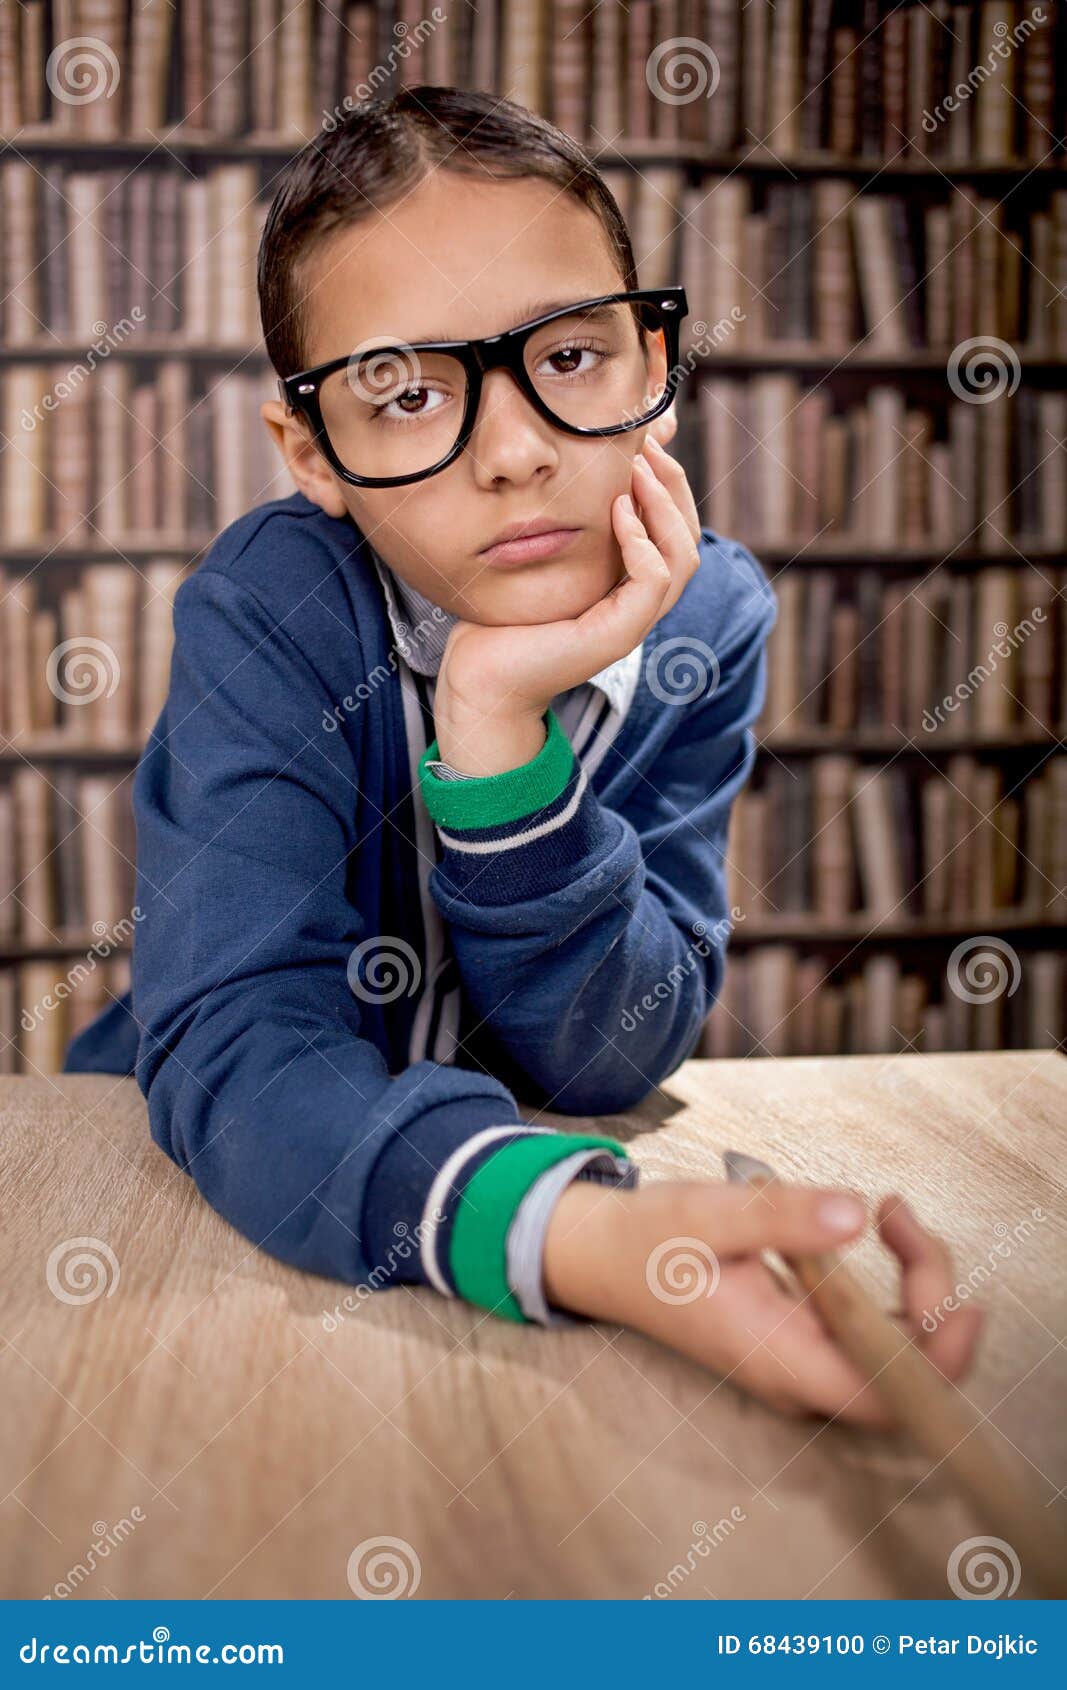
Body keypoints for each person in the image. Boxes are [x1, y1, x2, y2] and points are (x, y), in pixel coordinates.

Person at [65, 85, 981, 1422]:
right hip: (214, 1204)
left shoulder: (707, 619)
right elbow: (241, 1045)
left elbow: (611, 1056)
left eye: (568, 358)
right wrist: (578, 1233)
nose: (513, 452)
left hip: (476, 1220)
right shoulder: (276, 606)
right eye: (405, 392)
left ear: (656, 363)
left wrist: (499, 745)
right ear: (311, 447)